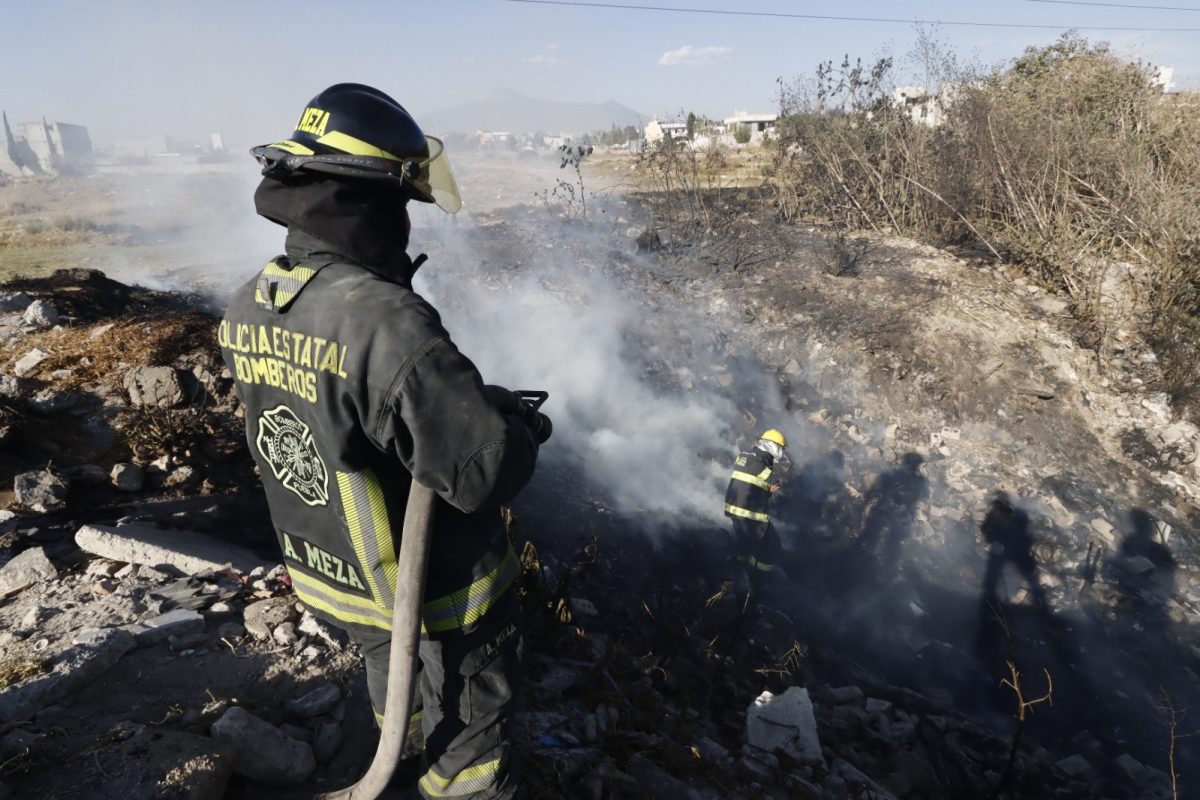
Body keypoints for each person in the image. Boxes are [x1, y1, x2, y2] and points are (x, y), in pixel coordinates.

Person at [219, 83, 550, 800]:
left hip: (337, 576)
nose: (405, 221)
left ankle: (396, 765)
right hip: (437, 592)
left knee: (391, 683)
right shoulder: (385, 321)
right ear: (369, 201)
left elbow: (337, 417)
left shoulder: (253, 299)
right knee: (471, 741)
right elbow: (482, 471)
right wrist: (518, 430)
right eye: (402, 203)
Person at [724, 429, 788, 582]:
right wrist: (771, 488)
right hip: (751, 516)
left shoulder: (743, 456)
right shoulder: (764, 464)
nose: (782, 452)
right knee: (771, 549)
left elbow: (748, 486)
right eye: (781, 448)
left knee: (744, 545)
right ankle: (760, 580)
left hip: (733, 509)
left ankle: (737, 575)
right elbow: (762, 484)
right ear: (773, 446)